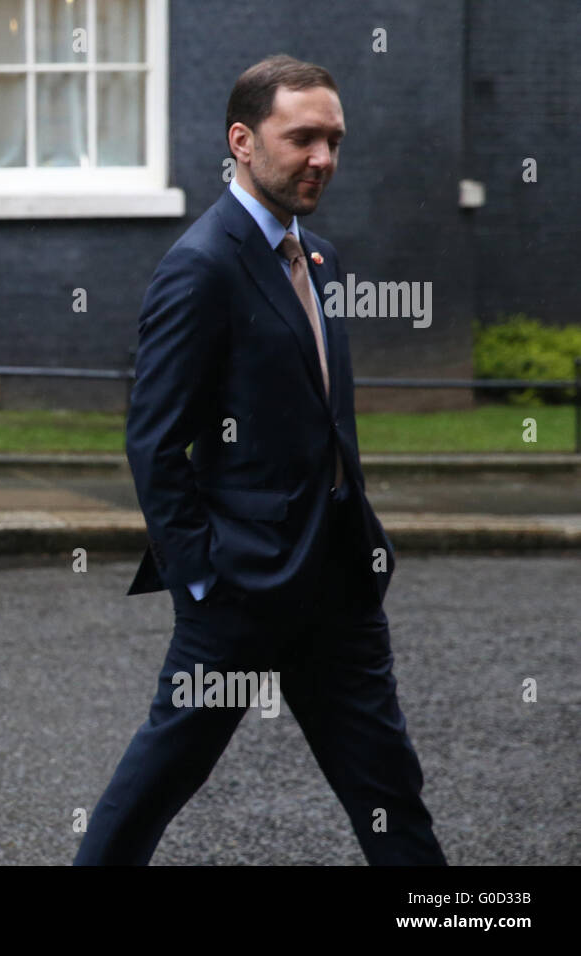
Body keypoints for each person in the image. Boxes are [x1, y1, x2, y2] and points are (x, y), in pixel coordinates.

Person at [75, 55, 446, 865]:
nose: (323, 159)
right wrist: (201, 577)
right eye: (302, 138)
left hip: (339, 579)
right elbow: (154, 436)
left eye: (335, 141)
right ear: (242, 141)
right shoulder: (202, 265)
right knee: (158, 782)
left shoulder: (322, 259)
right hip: (242, 589)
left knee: (390, 788)